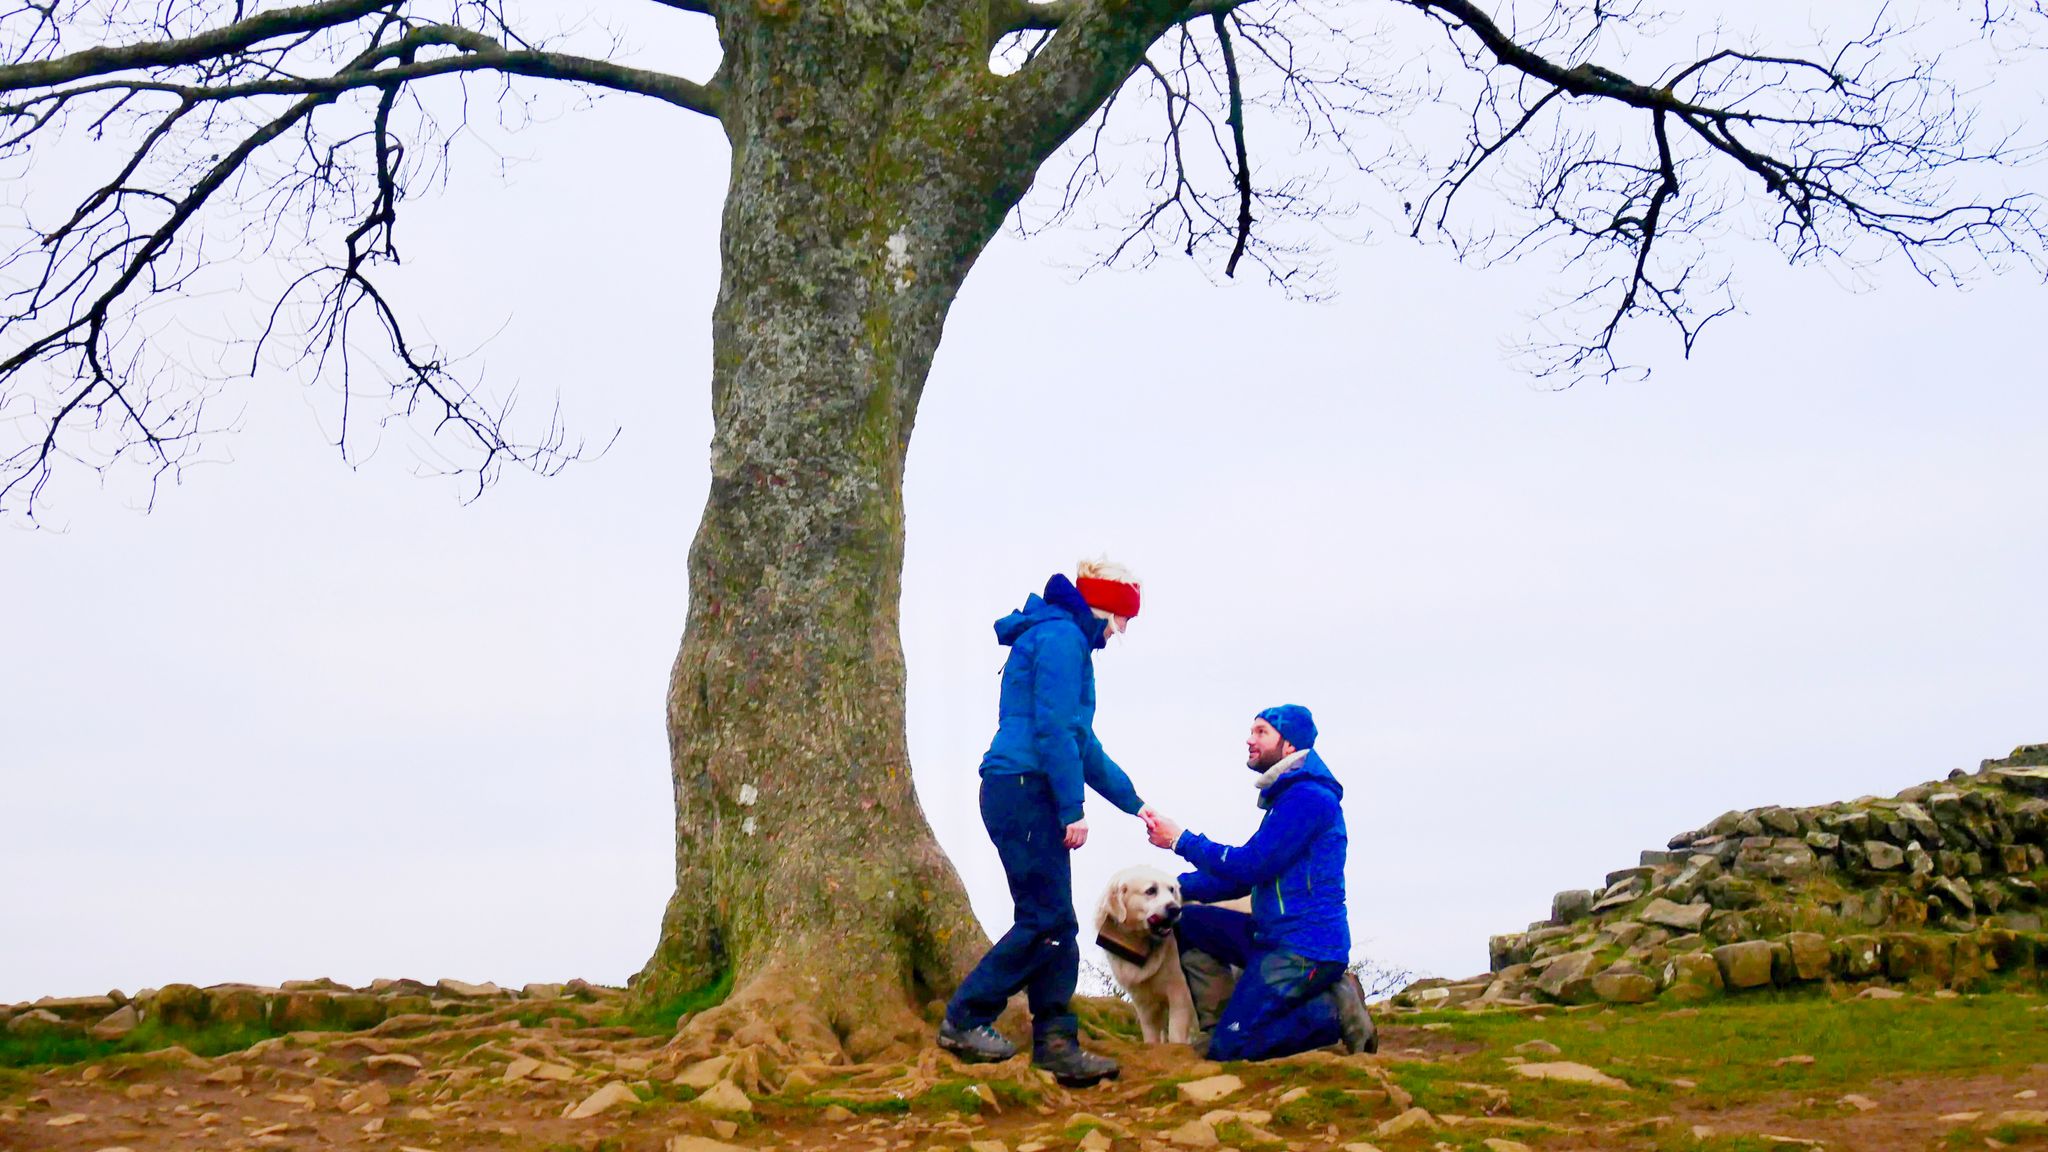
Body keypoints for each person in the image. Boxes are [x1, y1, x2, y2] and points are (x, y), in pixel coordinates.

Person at [937, 560, 1150, 1087]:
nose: (1121, 632)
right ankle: (966, 1018)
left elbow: (1081, 743)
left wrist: (1136, 805)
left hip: (1030, 787)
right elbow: (1055, 732)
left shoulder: (1063, 638)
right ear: (1105, 609)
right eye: (1122, 619)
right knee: (1044, 922)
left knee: (1056, 925)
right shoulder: (1061, 640)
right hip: (1023, 788)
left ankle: (1057, 1043)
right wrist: (1071, 809)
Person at [1143, 705, 1377, 1061]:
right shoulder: (1289, 796)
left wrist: (1181, 840)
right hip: (1273, 936)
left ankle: (1332, 1012)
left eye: (1261, 732)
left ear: (1288, 746)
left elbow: (1251, 866)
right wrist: (1171, 890)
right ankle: (1221, 1024)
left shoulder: (1308, 799)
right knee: (1188, 922)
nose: (1249, 739)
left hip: (1304, 949)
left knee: (1232, 1048)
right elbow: (1246, 877)